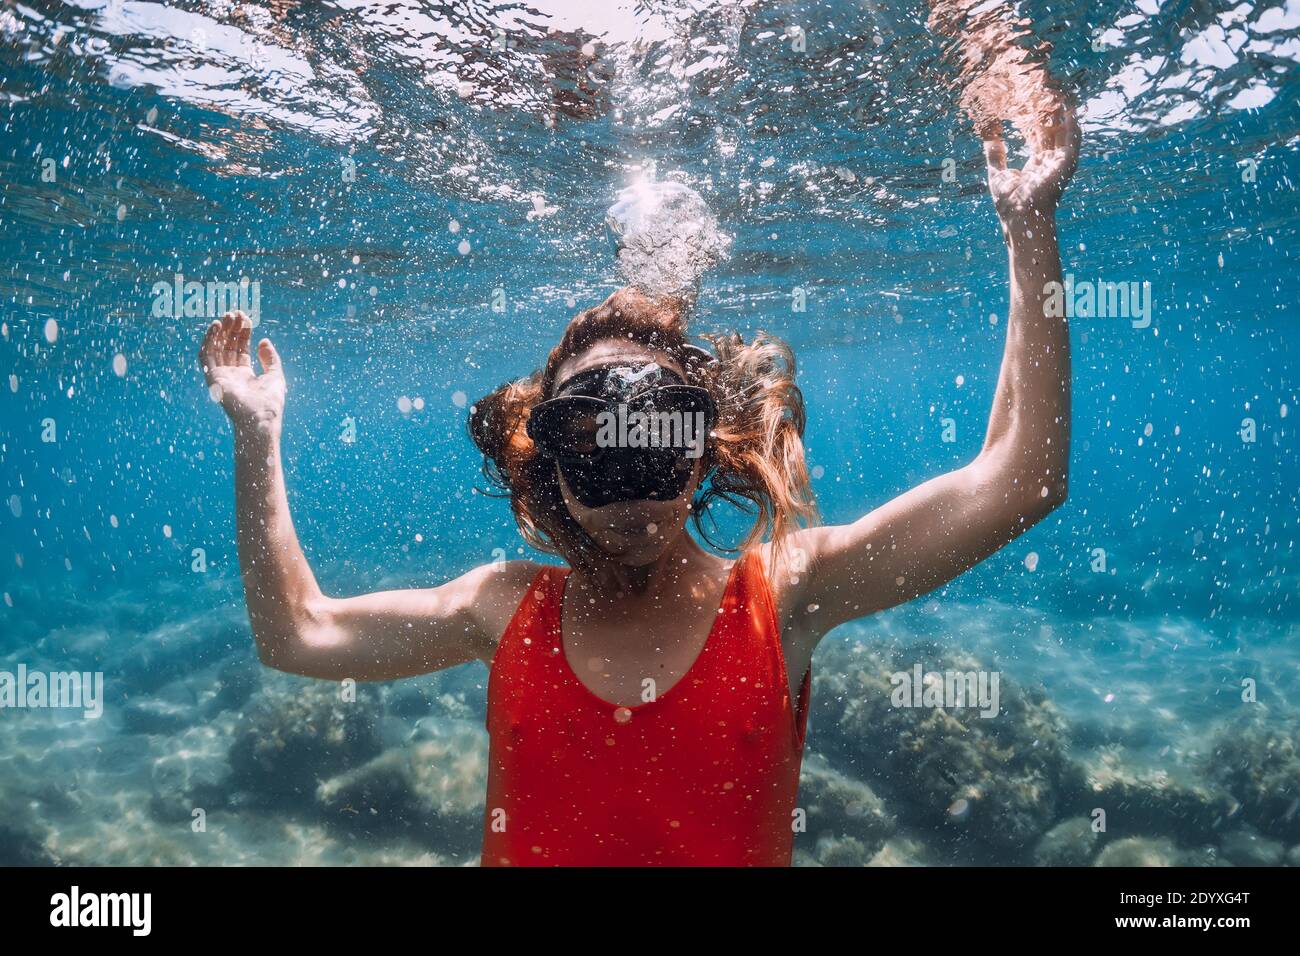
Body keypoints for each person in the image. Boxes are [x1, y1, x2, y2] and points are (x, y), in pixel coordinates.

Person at [198, 104, 1078, 866]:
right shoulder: (503, 612)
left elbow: (1021, 481)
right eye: (591, 447)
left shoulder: (784, 597)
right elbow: (298, 635)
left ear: (699, 453)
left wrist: (1029, 226)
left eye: (653, 444)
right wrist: (259, 435)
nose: (626, 493)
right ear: (549, 468)